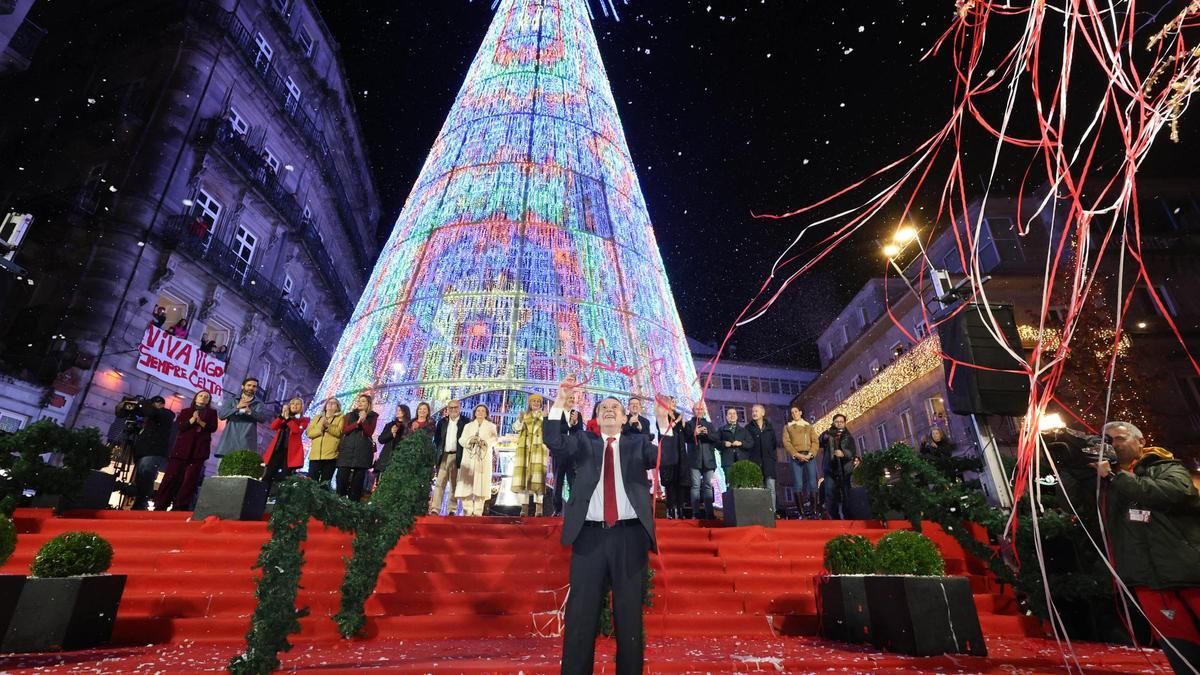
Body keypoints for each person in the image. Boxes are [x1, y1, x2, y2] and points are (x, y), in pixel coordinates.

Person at [543, 374, 659, 674]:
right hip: (589, 538)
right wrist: (559, 400)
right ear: (595, 418)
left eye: (615, 407)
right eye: (603, 407)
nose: (609, 409)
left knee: (629, 617)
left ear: (624, 419)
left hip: (630, 537)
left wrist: (663, 423)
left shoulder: (638, 443)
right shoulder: (583, 441)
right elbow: (554, 441)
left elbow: (665, 457)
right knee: (581, 616)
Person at [1091, 421, 1200, 673]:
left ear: (1141, 441)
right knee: (1181, 649)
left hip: (1188, 572)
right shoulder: (1105, 482)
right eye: (1107, 441)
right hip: (1147, 580)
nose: (1114, 445)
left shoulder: (1165, 466)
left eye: (1120, 438)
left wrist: (1114, 477)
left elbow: (1177, 493)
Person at [155, 391, 218, 511]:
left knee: (190, 481)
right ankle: (161, 504)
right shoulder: (185, 411)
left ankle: (180, 506)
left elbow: (212, 428)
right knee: (171, 477)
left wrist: (199, 421)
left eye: (206, 397)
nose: (203, 398)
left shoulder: (211, 413)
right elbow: (180, 427)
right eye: (201, 395)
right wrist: (192, 420)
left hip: (198, 451)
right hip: (182, 450)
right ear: (196, 398)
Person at [130, 395, 177, 510]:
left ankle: (141, 504)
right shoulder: (149, 416)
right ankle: (139, 503)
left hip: (154, 451)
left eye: (158, 403)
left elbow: (151, 412)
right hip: (142, 450)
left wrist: (142, 403)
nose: (157, 404)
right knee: (140, 478)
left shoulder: (167, 413)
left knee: (146, 475)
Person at [455, 403, 498, 516]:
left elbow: (494, 439)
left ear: (486, 414)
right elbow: (461, 440)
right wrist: (470, 440)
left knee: (481, 484)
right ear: (474, 413)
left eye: (483, 411)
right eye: (478, 410)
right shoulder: (468, 426)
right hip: (469, 458)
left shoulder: (491, 426)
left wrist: (484, 442)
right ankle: (467, 511)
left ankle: (478, 512)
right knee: (467, 484)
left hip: (482, 458)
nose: (480, 413)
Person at [262, 397, 310, 497]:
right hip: (277, 450)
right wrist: (281, 416)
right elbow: (273, 426)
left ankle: (279, 499)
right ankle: (262, 495)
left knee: (284, 477)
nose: (294, 406)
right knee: (268, 474)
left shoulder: (304, 420)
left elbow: (297, 430)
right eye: (292, 404)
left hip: (290, 453)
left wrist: (288, 419)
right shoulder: (283, 418)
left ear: (301, 407)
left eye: (297, 404)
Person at [512, 394, 549, 516]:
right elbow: (516, 428)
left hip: (539, 449)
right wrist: (520, 419)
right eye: (534, 401)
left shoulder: (545, 416)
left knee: (538, 478)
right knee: (524, 478)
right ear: (529, 403)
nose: (536, 403)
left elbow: (549, 430)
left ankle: (539, 507)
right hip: (525, 449)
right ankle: (524, 507)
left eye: (538, 401)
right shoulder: (525, 415)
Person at [214, 377, 271, 457]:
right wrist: (236, 407)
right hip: (229, 440)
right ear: (242, 386)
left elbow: (262, 419)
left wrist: (250, 412)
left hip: (246, 442)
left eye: (254, 386)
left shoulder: (259, 404)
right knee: (222, 467)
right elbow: (221, 415)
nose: (251, 388)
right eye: (249, 385)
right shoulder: (232, 400)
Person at [337, 394, 378, 501]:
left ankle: (353, 505)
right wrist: (357, 422)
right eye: (359, 401)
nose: (360, 403)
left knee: (357, 483)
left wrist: (364, 420)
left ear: (368, 404)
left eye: (363, 401)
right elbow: (345, 430)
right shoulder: (349, 415)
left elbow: (369, 432)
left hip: (363, 452)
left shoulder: (373, 416)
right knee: (341, 478)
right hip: (347, 450)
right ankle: (339, 501)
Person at [430, 400, 469, 515]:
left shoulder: (465, 422)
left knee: (454, 484)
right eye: (450, 407)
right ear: (447, 409)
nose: (453, 410)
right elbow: (437, 439)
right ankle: (435, 509)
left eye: (455, 407)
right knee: (439, 483)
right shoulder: (442, 422)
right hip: (444, 456)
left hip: (457, 456)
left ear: (460, 408)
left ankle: (451, 509)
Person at [684, 402, 719, 520]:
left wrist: (707, 433)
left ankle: (710, 514)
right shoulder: (689, 424)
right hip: (694, 459)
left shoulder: (709, 424)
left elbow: (715, 438)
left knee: (708, 486)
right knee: (695, 486)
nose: (699, 410)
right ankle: (696, 513)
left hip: (708, 460)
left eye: (701, 408)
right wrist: (695, 433)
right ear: (693, 410)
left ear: (703, 410)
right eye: (696, 409)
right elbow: (686, 438)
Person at [783, 406, 820, 518]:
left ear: (800, 412)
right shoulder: (788, 427)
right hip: (796, 456)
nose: (794, 414)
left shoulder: (808, 426)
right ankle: (801, 513)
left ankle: (814, 512)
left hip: (809, 455)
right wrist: (796, 454)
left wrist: (811, 454)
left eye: (796, 411)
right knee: (798, 483)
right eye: (792, 412)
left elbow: (815, 441)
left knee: (813, 482)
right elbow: (786, 442)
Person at [819, 414, 858, 519]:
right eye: (837, 421)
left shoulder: (848, 436)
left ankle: (848, 516)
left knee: (846, 494)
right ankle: (835, 518)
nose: (839, 423)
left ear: (844, 423)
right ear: (833, 422)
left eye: (841, 422)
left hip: (844, 469)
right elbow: (819, 441)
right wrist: (825, 437)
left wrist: (843, 453)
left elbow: (852, 452)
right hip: (830, 468)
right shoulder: (828, 433)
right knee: (830, 495)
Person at [655, 397, 687, 519]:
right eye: (671, 402)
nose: (673, 404)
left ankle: (680, 509)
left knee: (680, 481)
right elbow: (663, 431)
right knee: (669, 482)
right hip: (668, 453)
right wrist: (676, 421)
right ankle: (671, 510)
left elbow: (686, 433)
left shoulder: (679, 416)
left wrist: (683, 423)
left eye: (674, 402)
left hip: (680, 453)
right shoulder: (662, 416)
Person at [745, 404, 780, 513]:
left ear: (763, 413)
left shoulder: (769, 428)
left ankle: (772, 511)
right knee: (757, 488)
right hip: (755, 462)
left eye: (756, 411)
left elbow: (774, 443)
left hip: (768, 462)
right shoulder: (748, 428)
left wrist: (772, 457)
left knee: (771, 488)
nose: (754, 413)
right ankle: (760, 513)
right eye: (753, 412)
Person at [305, 397, 344, 490]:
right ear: (325, 406)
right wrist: (320, 429)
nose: (330, 404)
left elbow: (339, 432)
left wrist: (327, 426)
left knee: (324, 485)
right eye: (329, 402)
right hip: (315, 456)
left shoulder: (341, 418)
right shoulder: (317, 418)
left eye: (334, 403)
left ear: (338, 407)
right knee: (311, 484)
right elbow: (309, 433)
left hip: (330, 457)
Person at [375, 404, 410, 477]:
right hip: (386, 457)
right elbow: (381, 439)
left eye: (400, 410)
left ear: (405, 412)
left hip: (400, 458)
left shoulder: (409, 426)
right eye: (397, 410)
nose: (397, 412)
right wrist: (391, 433)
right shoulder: (390, 425)